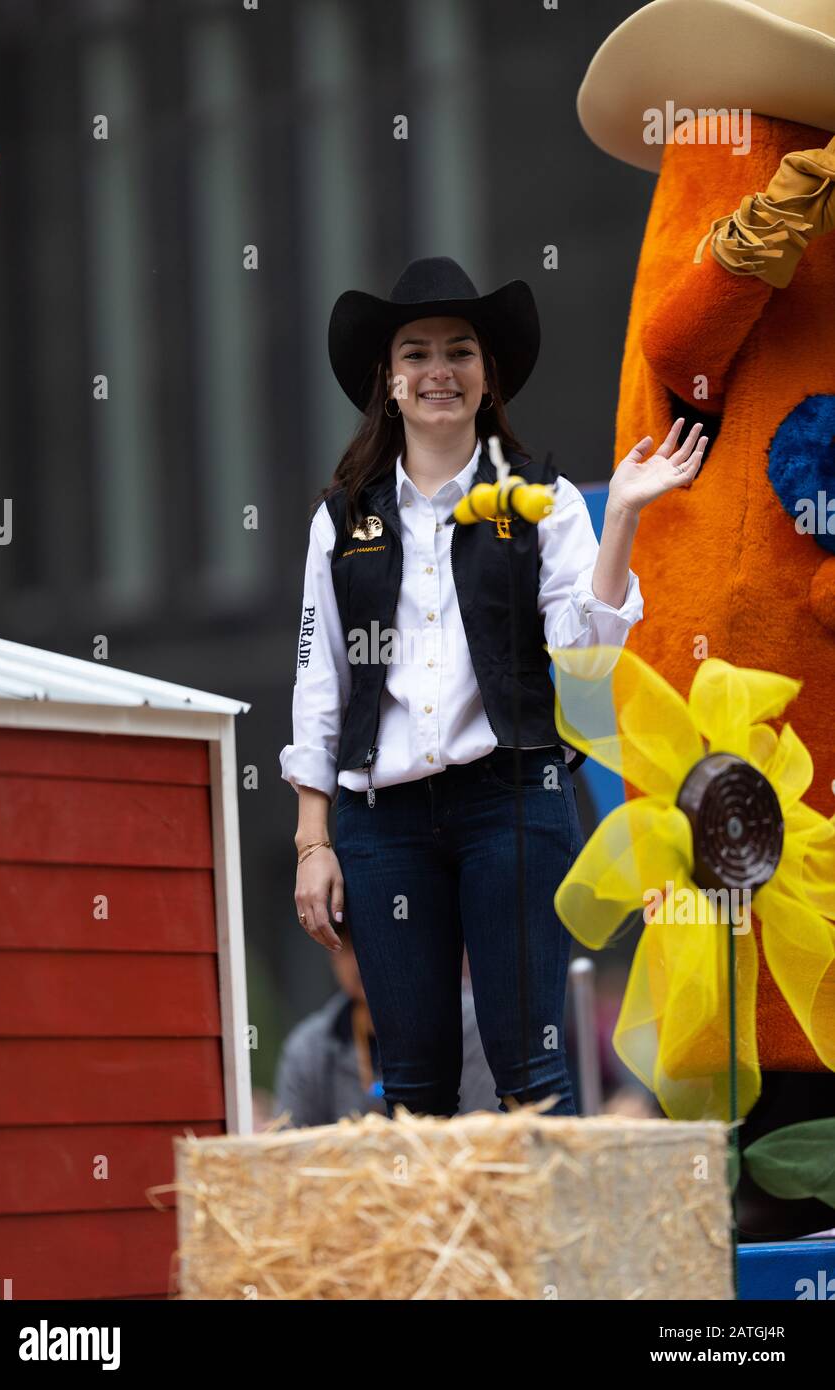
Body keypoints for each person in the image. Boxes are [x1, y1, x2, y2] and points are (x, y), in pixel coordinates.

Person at [280, 255, 707, 1120]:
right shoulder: (341, 517)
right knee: (413, 1090)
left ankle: (539, 1260)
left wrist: (619, 514)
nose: (439, 370)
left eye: (460, 351)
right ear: (388, 381)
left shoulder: (542, 502)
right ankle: (433, 1262)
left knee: (533, 1080)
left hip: (511, 804)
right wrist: (312, 841)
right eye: (417, 353)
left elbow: (582, 653)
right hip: (380, 821)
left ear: (486, 376)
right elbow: (317, 681)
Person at [272, 926, 499, 1127]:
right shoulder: (309, 1047)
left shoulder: (471, 1022)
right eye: (348, 945)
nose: (362, 957)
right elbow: (289, 1152)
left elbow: (487, 1134)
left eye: (374, 936)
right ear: (332, 957)